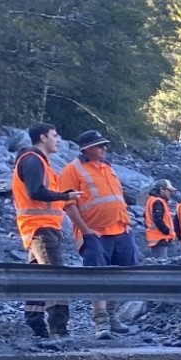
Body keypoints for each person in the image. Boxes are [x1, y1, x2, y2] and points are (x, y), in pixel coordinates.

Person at [9, 123, 80, 338]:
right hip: (41, 228)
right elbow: (36, 192)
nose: (57, 139)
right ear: (42, 137)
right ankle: (59, 329)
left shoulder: (38, 161)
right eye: (54, 135)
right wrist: (66, 196)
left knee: (37, 278)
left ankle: (35, 325)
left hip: (39, 228)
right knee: (55, 278)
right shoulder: (33, 160)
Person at [63, 129, 137, 332]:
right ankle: (101, 322)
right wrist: (86, 231)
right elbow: (69, 205)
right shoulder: (72, 170)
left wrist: (127, 225)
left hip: (120, 230)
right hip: (95, 233)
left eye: (105, 145)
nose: (105, 148)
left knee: (120, 275)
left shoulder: (107, 168)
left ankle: (112, 316)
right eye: (100, 145)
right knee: (97, 277)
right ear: (87, 149)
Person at [144, 179, 177, 260]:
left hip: (155, 238)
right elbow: (158, 220)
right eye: (168, 190)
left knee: (156, 263)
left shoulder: (151, 200)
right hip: (160, 238)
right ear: (162, 190)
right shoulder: (158, 201)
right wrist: (167, 231)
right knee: (160, 264)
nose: (170, 193)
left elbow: (145, 217)